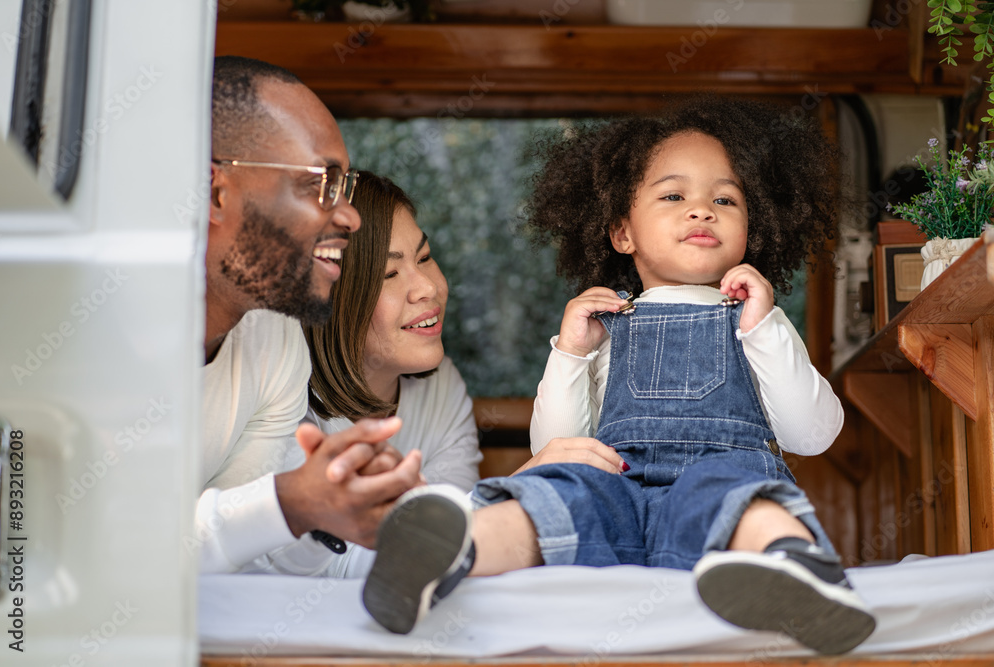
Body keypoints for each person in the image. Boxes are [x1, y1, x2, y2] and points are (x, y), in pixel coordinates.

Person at [361, 97, 877, 655]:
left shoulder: (757, 323)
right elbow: (554, 447)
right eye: (674, 195)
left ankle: (798, 575)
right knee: (562, 496)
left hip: (711, 497)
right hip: (616, 493)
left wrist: (765, 328)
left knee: (740, 497)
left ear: (751, 230)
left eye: (724, 199)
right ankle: (450, 552)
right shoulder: (607, 326)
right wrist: (572, 354)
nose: (702, 210)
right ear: (622, 232)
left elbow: (813, 434)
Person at [196, 55, 421, 574]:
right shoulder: (85, 345)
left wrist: (320, 497)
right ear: (213, 193)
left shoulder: (274, 339)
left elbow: (217, 559)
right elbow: (74, 554)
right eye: (321, 184)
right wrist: (292, 502)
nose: (349, 216)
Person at [237, 171, 483, 577]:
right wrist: (513, 495)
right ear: (337, 297)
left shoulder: (442, 388)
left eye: (424, 258)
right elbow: (343, 568)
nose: (427, 288)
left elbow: (442, 541)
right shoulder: (284, 402)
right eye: (389, 275)